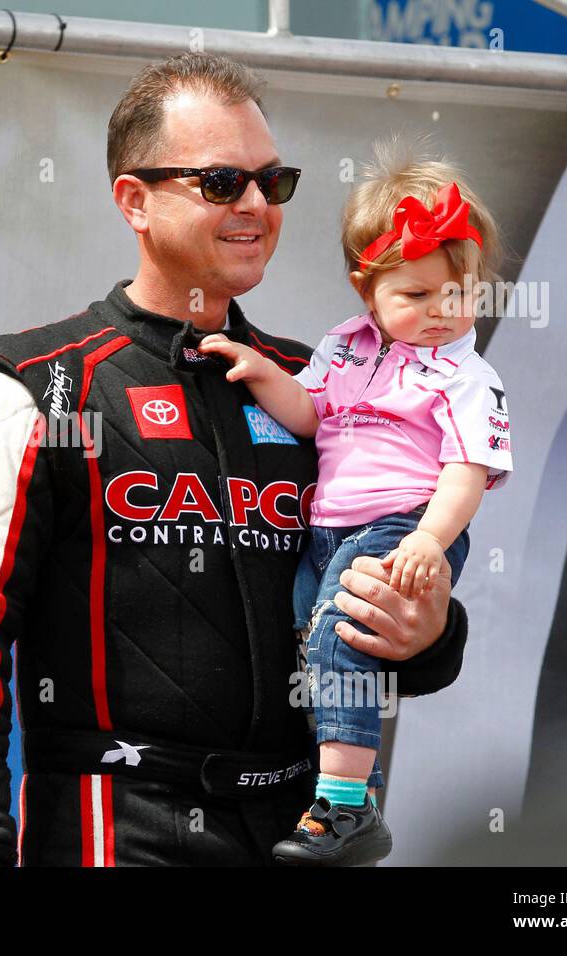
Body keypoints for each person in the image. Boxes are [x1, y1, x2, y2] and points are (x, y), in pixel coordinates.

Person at [0, 53, 470, 867]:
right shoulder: (32, 386)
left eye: (272, 184)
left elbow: (403, 606)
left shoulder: (326, 388)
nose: (254, 206)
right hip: (116, 829)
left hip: (301, 832)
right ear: (133, 200)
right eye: (219, 182)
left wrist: (428, 635)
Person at [199, 144, 512, 865]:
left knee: (342, 633)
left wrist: (429, 541)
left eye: (458, 294)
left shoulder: (467, 375)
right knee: (313, 641)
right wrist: (260, 372)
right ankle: (349, 793)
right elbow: (311, 412)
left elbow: (465, 473)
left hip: (405, 525)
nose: (441, 312)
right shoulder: (345, 345)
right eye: (415, 295)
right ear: (365, 290)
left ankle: (342, 810)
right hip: (329, 528)